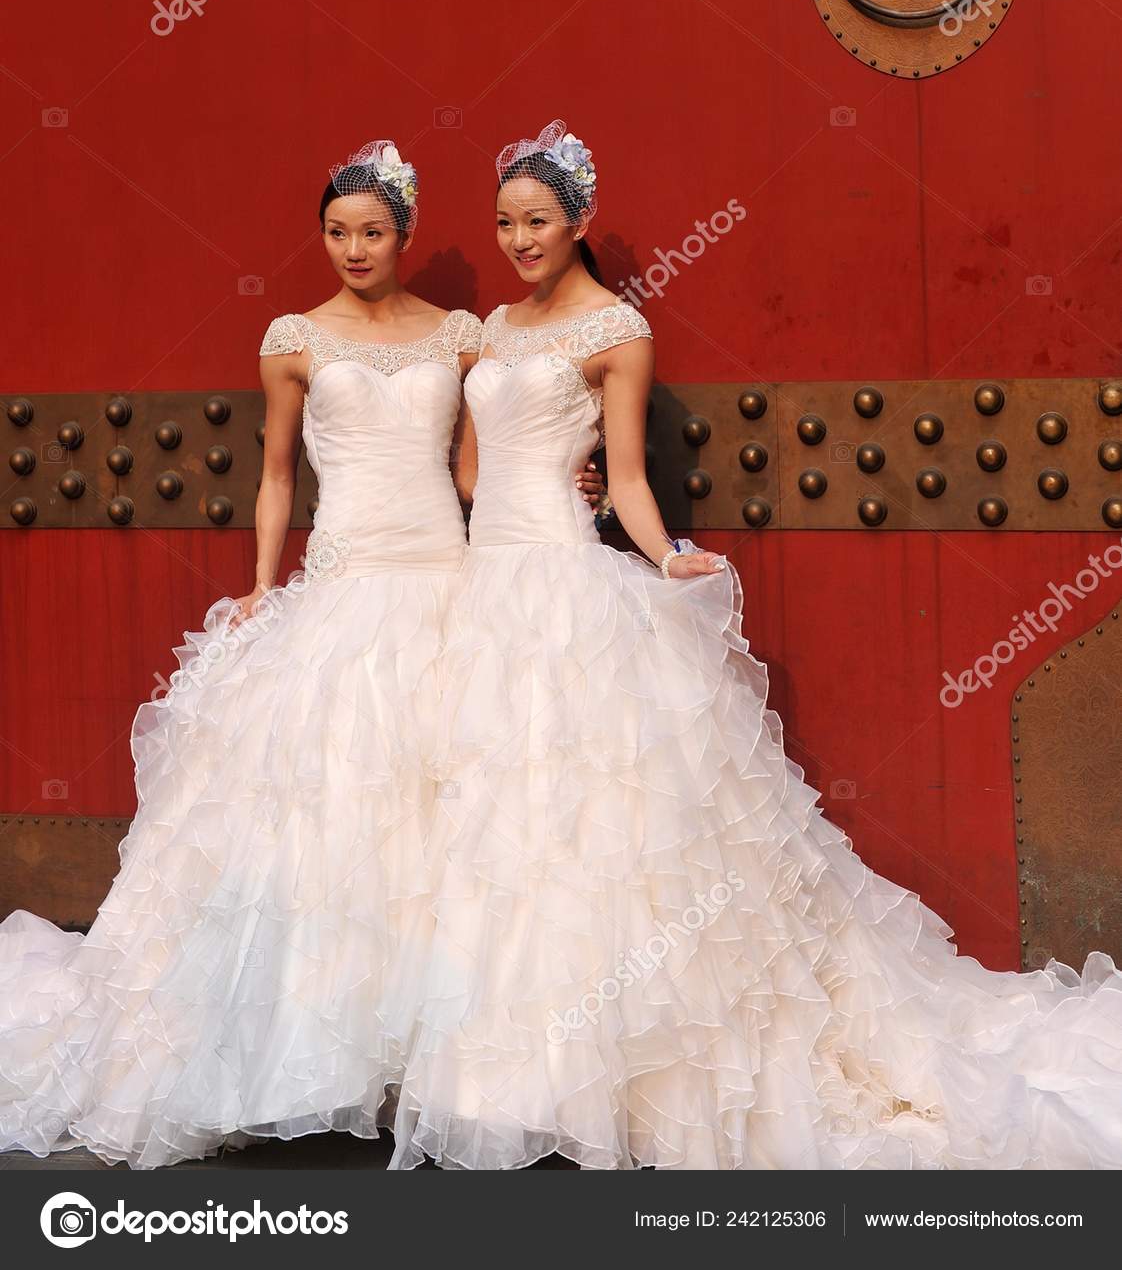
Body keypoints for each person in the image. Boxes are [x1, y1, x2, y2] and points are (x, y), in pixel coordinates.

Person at [387, 118, 1122, 1172]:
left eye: (538, 220)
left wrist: (658, 548)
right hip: (484, 585)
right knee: (485, 833)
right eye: (504, 221)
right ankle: (501, 1073)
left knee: (587, 828)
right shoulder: (489, 328)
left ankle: (614, 1075)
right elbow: (465, 468)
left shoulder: (616, 331)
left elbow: (630, 476)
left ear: (580, 221)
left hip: (562, 582)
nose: (518, 239)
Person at [0, 138, 602, 1170]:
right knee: (332, 812)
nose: (353, 249)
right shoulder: (291, 339)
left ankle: (432, 1062)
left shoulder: (462, 335)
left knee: (447, 830)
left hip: (452, 587)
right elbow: (276, 473)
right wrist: (263, 580)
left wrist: (564, 478)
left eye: (371, 232)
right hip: (345, 585)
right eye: (336, 232)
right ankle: (311, 1053)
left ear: (404, 235)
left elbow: (500, 437)